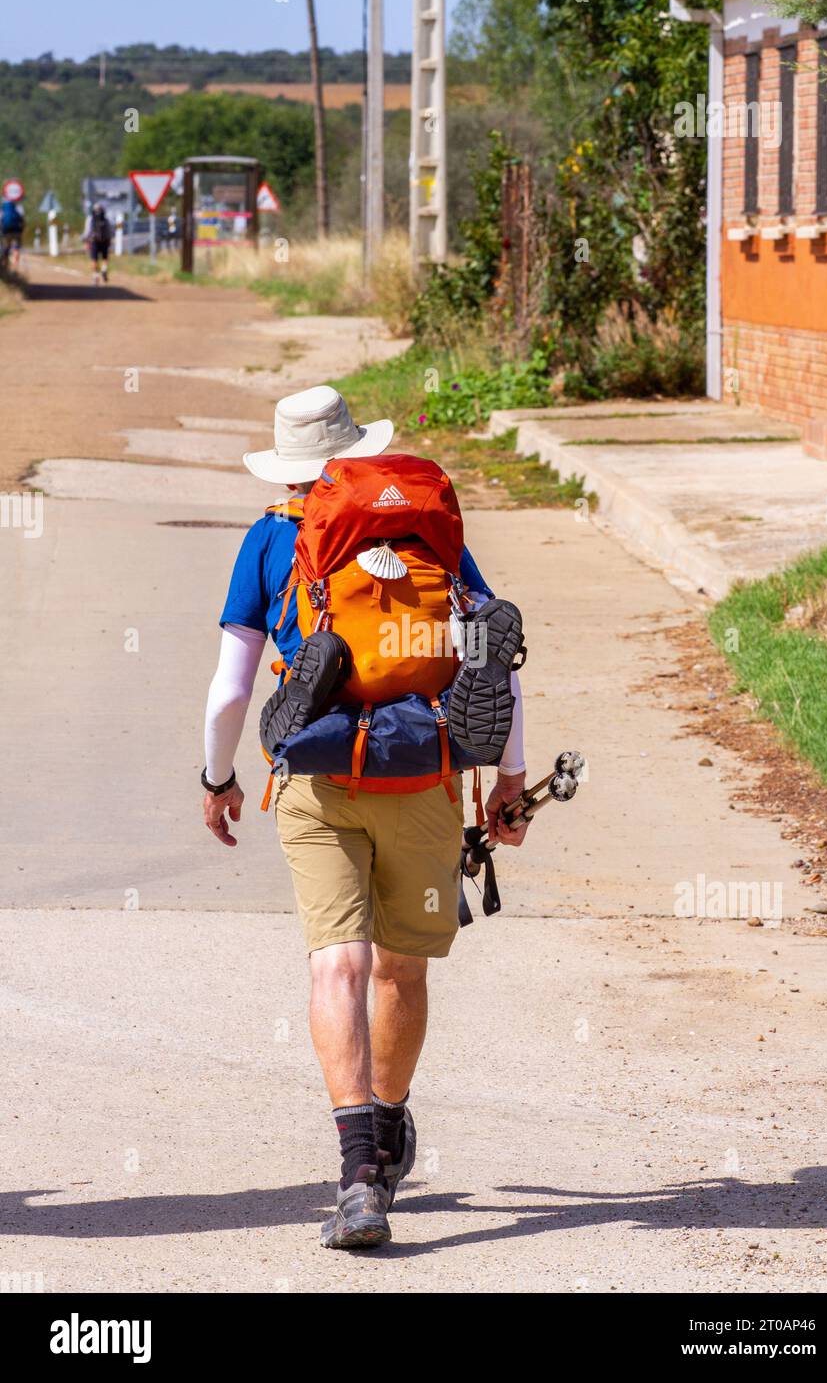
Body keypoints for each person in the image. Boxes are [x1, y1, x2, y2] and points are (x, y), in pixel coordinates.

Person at [202, 386, 528, 1249]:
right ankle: (386, 1131)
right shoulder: (421, 526)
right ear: (352, 452)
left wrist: (216, 775)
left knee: (336, 967)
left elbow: (232, 686)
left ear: (284, 465)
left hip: (315, 776)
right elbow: (496, 658)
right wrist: (510, 778)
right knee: (399, 972)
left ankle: (355, 1180)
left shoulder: (272, 535)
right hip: (422, 775)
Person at [84, 203, 112, 285]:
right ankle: (104, 269)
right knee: (105, 258)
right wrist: (109, 241)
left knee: (94, 259)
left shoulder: (90, 219)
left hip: (94, 241)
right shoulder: (106, 219)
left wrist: (86, 241)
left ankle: (95, 277)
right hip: (105, 241)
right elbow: (109, 231)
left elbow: (87, 232)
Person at [1, 196, 24, 269]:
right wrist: (21, 230)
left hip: (6, 232)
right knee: (16, 248)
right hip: (16, 232)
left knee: (6, 248)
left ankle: (5, 265)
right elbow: (22, 221)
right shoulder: (18, 208)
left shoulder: (3, 209)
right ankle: (15, 267)